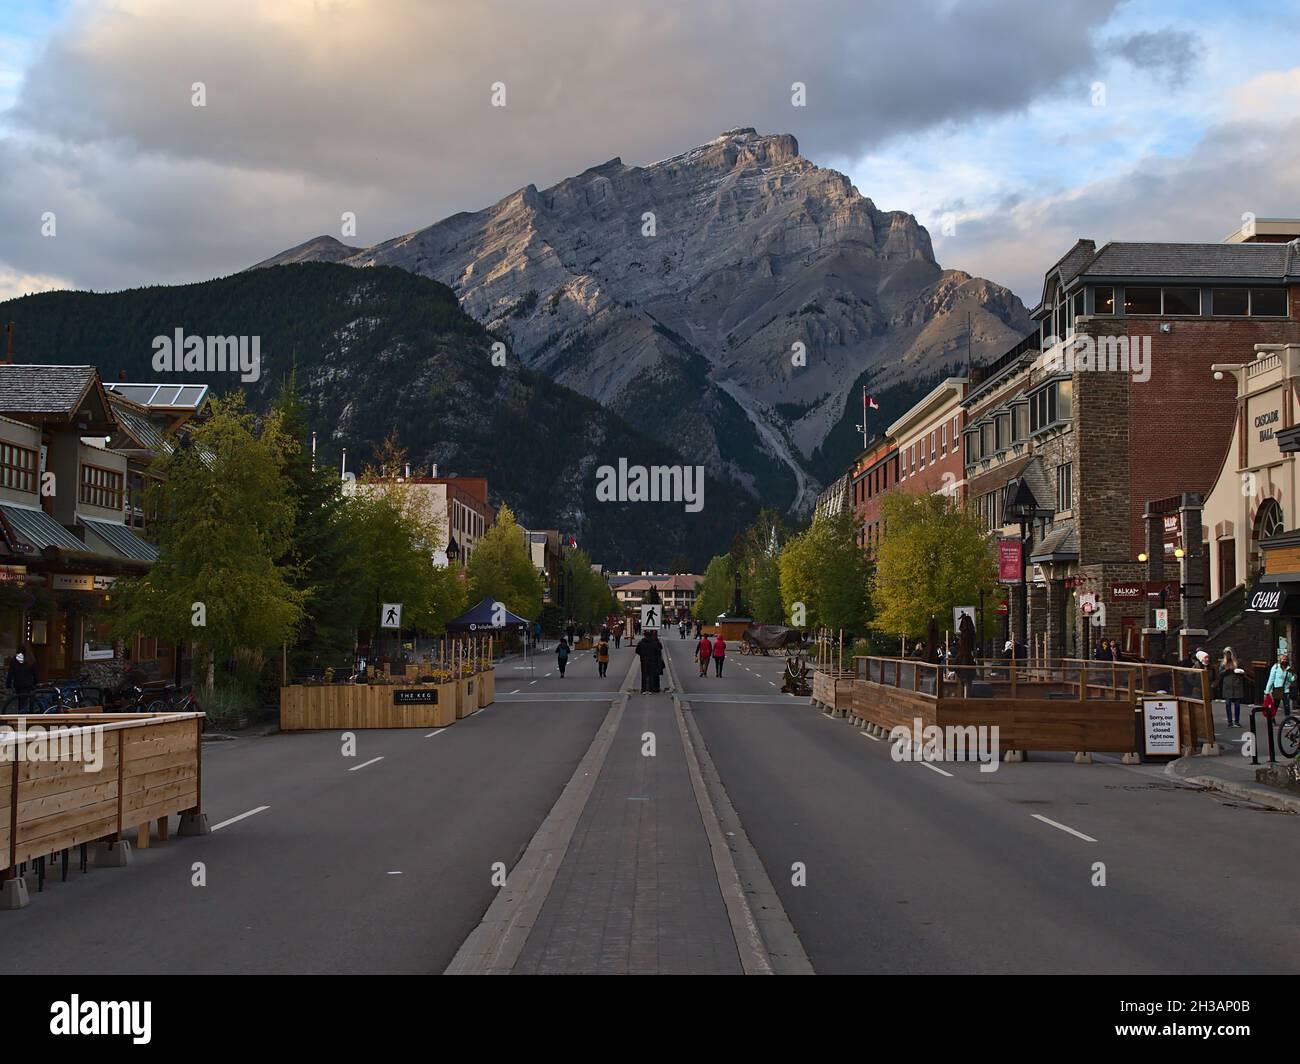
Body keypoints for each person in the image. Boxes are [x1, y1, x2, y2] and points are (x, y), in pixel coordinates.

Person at [1218, 647, 1247, 728]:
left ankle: (1237, 721)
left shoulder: (1237, 662)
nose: (1227, 655)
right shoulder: (1223, 663)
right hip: (1227, 685)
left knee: (1237, 705)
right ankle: (1230, 722)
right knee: (1228, 704)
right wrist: (1227, 671)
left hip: (1237, 685)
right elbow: (1220, 673)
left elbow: (1243, 671)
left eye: (1229, 653)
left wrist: (1239, 671)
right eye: (1226, 654)